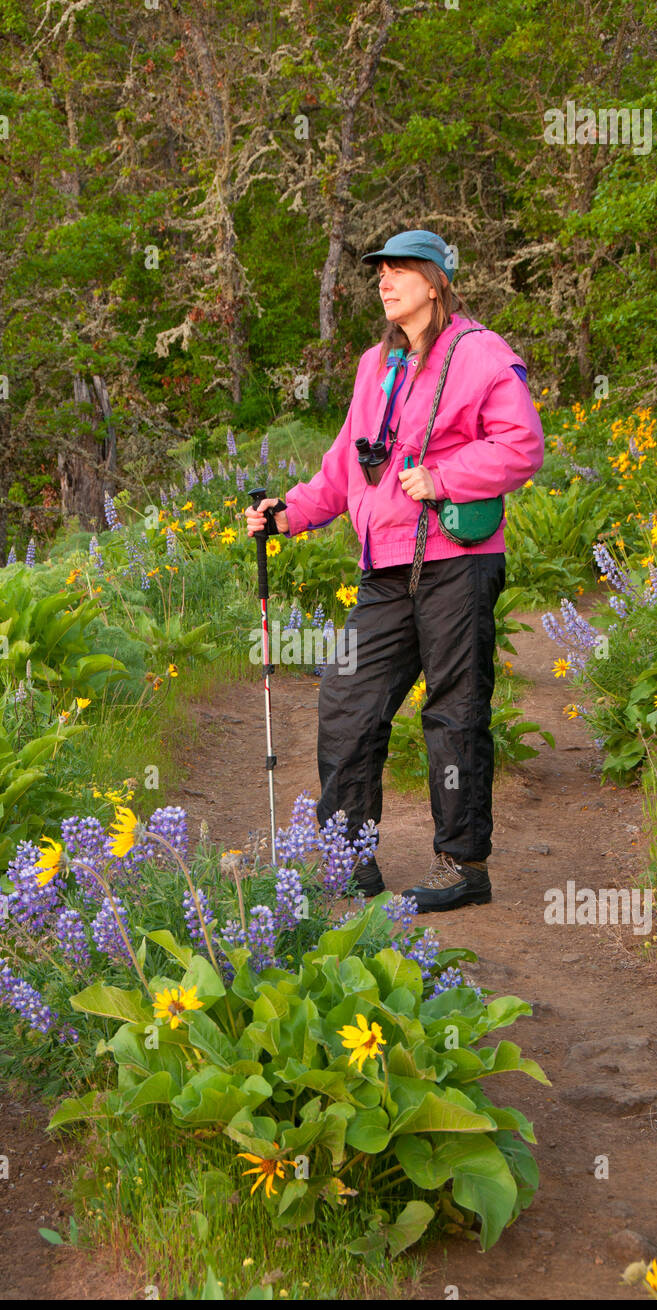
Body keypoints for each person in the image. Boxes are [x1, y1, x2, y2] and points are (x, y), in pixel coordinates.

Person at [245, 229, 544, 912]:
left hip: (456, 563)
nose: (384, 282)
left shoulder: (480, 354)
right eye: (379, 272)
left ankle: (462, 865)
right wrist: (289, 513)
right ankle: (349, 858)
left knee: (454, 712)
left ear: (436, 280)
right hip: (384, 566)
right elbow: (345, 464)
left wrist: (442, 477)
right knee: (347, 701)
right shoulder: (373, 364)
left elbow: (521, 446)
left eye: (400, 270)